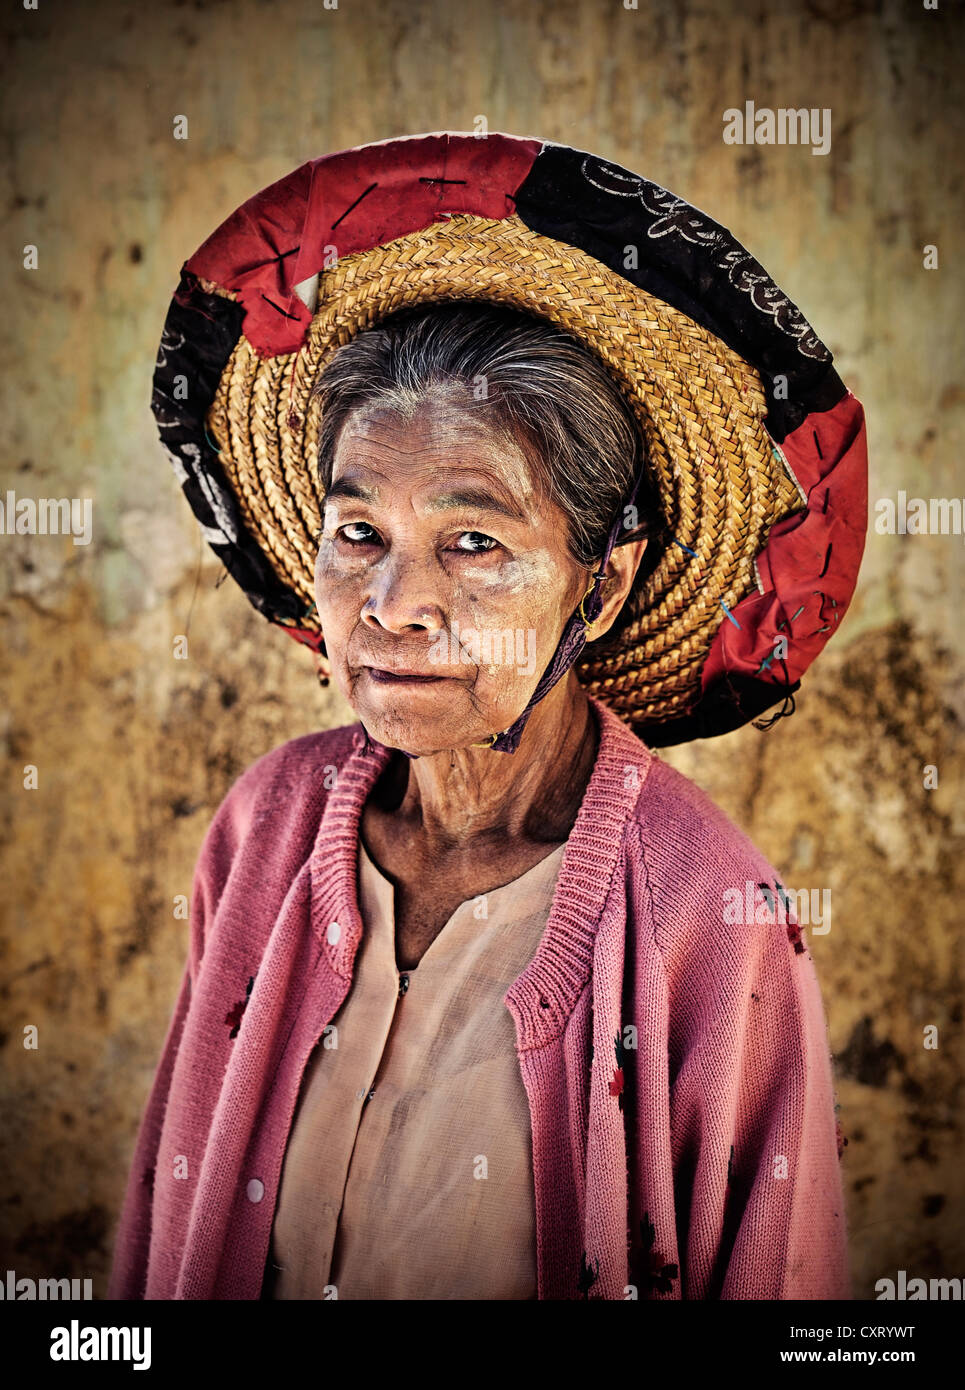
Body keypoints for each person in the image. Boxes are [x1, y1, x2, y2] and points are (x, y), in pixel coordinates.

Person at [108, 131, 867, 1300]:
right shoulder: (264, 830)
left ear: (599, 583)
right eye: (359, 532)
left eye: (472, 542)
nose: (393, 604)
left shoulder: (709, 919)